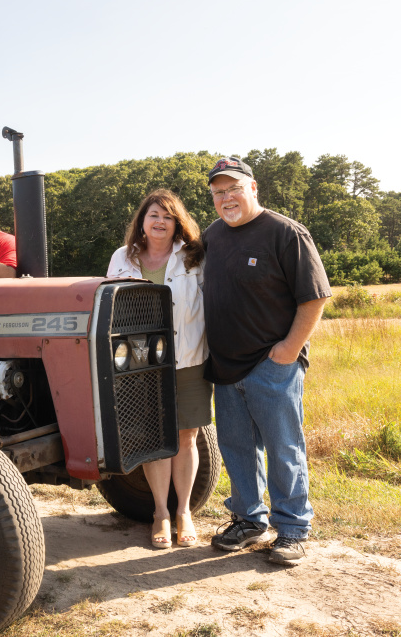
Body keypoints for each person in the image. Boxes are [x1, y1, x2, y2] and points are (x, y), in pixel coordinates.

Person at [202, 156, 332, 566]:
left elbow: (314, 296)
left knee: (283, 446)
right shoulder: (212, 236)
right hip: (224, 364)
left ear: (253, 188)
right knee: (236, 446)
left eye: (233, 189)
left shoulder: (285, 232)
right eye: (218, 192)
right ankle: (248, 520)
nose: (226, 198)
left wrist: (289, 350)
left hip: (272, 364)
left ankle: (292, 529)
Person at [107, 189, 211, 549]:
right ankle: (160, 514)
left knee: (185, 437)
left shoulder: (194, 256)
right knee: (153, 438)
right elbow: (109, 308)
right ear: (142, 221)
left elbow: (210, 302)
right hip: (139, 364)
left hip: (187, 357)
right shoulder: (122, 257)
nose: (160, 222)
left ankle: (183, 510)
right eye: (153, 215)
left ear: (177, 221)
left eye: (167, 216)